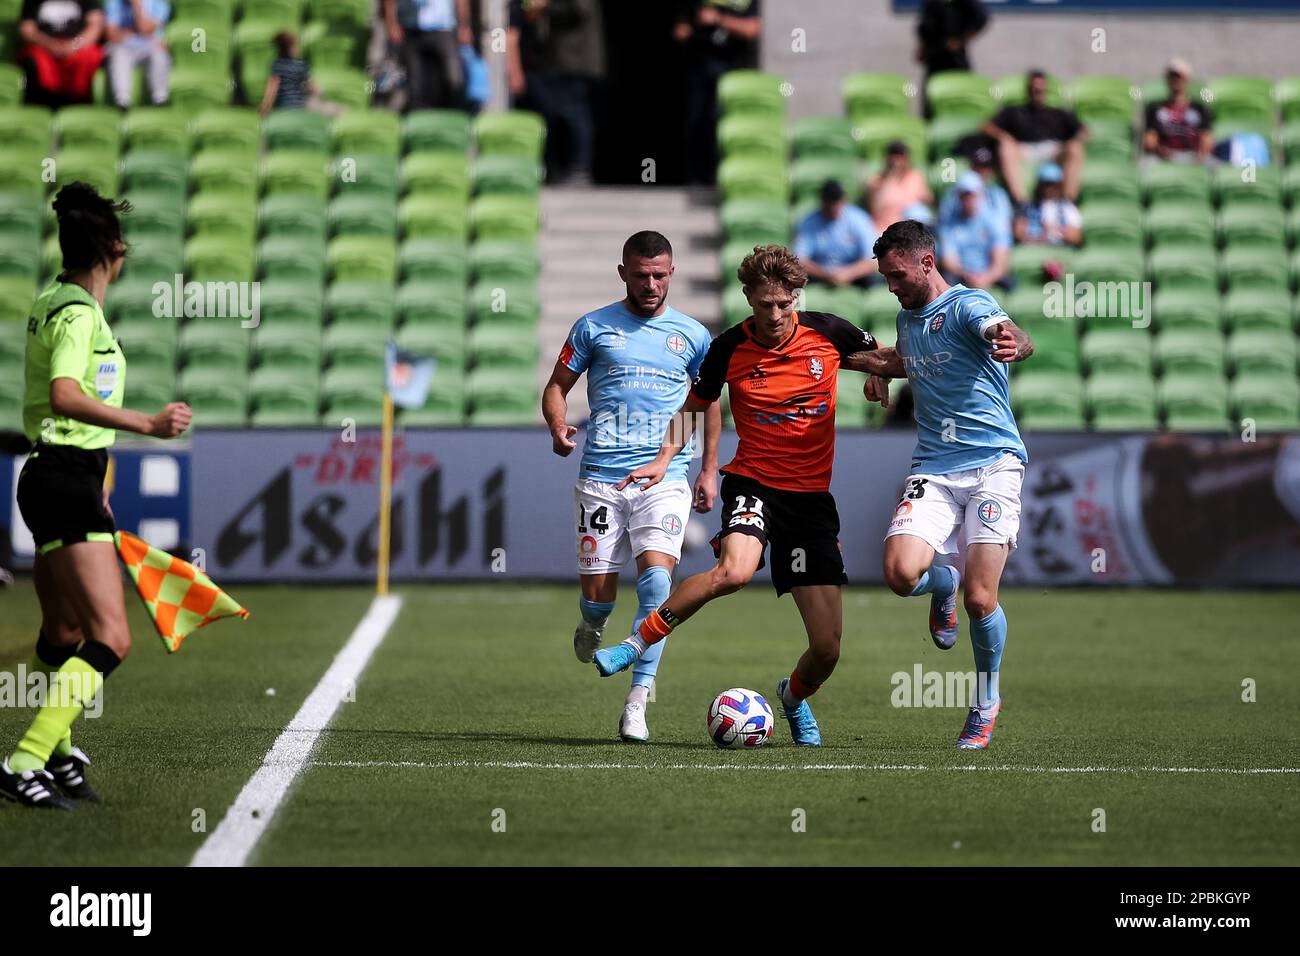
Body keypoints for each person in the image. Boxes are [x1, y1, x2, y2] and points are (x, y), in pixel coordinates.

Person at [592, 245, 887, 747]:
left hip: (810, 500)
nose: (773, 315)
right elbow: (693, 406)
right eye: (763, 303)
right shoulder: (728, 347)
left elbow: (878, 352)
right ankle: (634, 642)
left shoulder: (829, 332)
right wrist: (665, 459)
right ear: (748, 296)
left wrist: (878, 375)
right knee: (734, 572)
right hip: (753, 483)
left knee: (828, 648)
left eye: (783, 304)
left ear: (797, 296)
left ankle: (792, 698)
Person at [1, 182, 192, 810]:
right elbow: (63, 395)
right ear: (115, 247)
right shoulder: (81, 314)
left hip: (55, 477)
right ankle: (27, 757)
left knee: (63, 632)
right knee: (111, 638)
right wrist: (149, 425)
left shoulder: (53, 300)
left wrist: (95, 484)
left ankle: (56, 756)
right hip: (64, 476)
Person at [861, 219, 1033, 750]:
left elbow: (1005, 333)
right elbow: (910, 357)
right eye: (886, 277)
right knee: (898, 573)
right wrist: (881, 369)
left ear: (927, 263)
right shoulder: (907, 319)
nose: (892, 285)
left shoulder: (968, 306)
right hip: (934, 466)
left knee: (983, 599)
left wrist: (1016, 340)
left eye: (897, 275)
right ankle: (943, 586)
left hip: (993, 465)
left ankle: (985, 703)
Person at [541, 231, 719, 742]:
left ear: (672, 273)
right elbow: (557, 386)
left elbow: (705, 403)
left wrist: (707, 468)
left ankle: (637, 702)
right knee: (598, 598)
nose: (651, 284)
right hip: (600, 478)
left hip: (665, 477)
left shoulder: (692, 335)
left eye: (660, 275)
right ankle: (592, 623)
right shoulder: (593, 327)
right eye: (641, 275)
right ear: (623, 272)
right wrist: (556, 426)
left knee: (658, 586)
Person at [506, 0, 605, 184]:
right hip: (562, 60)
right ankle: (559, 168)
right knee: (559, 112)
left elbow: (579, 10)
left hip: (575, 59)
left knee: (575, 113)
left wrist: (544, 6)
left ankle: (580, 169)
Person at [676, 0, 762, 185]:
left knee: (726, 125)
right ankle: (700, 179)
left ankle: (728, 177)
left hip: (734, 75)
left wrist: (719, 19)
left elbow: (753, 29)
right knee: (698, 124)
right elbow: (680, 30)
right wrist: (690, 31)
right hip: (700, 72)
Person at [984, 69, 1088, 205]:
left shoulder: (1058, 113)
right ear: (1028, 89)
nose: (1036, 92)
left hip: (1053, 150)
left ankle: (1069, 200)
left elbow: (1085, 132)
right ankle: (1021, 201)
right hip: (1024, 149)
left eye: (1040, 89)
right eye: (1033, 88)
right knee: (1006, 147)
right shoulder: (1014, 111)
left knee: (1075, 148)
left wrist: (1073, 140)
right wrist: (1003, 136)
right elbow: (987, 127)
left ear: (1046, 90)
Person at [383, 0, 473, 110]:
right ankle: (416, 117)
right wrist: (392, 23)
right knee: (414, 84)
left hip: (444, 27)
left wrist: (464, 26)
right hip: (411, 27)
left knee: (454, 79)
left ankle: (453, 114)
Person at [18, 0, 105, 108]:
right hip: (44, 47)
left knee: (91, 55)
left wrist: (74, 45)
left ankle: (79, 104)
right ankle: (43, 105)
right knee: (34, 57)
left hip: (78, 47)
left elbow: (95, 25)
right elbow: (27, 29)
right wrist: (48, 43)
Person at [793, 180, 879, 288]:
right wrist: (826, 274)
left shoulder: (859, 219)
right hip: (820, 274)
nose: (832, 206)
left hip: (854, 274)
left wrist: (848, 273)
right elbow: (799, 259)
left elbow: (871, 259)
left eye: (835, 202)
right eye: (829, 202)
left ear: (843, 200)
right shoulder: (809, 222)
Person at [938, 170, 1012, 291]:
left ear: (980, 195)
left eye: (971, 195)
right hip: (961, 276)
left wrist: (986, 277)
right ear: (958, 197)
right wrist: (966, 275)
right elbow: (949, 260)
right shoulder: (950, 224)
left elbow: (1000, 260)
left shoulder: (993, 220)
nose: (968, 200)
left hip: (990, 274)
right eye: (964, 195)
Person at [916, 0, 988, 118]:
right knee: (931, 101)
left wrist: (961, 41)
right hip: (934, 58)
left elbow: (981, 18)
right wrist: (923, 48)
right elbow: (926, 26)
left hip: (954, 60)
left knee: (960, 97)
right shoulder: (931, 3)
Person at [1143, 57, 1213, 163]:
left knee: (1213, 165)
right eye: (1172, 77)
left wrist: (1201, 155)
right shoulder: (1155, 108)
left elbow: (1207, 139)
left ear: (1187, 79)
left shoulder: (1199, 109)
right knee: (1145, 164)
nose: (1175, 81)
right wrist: (1159, 150)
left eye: (1179, 77)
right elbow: (1150, 139)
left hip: (1193, 155)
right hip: (1163, 156)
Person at [102, 0, 170, 108]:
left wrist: (137, 6)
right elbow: (111, 34)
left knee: (159, 55)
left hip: (149, 47)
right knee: (118, 55)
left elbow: (145, 28)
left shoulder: (159, 4)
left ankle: (160, 99)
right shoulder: (114, 3)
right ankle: (122, 101)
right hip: (123, 46)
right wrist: (132, 32)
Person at [938, 144, 1012, 236]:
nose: (983, 171)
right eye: (978, 166)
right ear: (971, 166)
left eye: (987, 167)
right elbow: (945, 226)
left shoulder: (998, 195)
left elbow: (1003, 230)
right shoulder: (953, 193)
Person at [866, 140, 933, 233]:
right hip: (885, 230)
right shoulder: (877, 181)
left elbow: (929, 201)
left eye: (900, 156)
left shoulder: (916, 177)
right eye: (893, 155)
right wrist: (890, 177)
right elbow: (875, 211)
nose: (896, 160)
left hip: (910, 229)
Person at [1013, 162, 1082, 248]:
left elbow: (1075, 236)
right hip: (1034, 249)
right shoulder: (1026, 207)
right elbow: (1019, 233)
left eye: (1053, 184)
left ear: (1059, 185)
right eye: (1046, 184)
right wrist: (1042, 237)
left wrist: (1054, 230)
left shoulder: (1068, 207)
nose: (1049, 188)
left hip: (1060, 250)